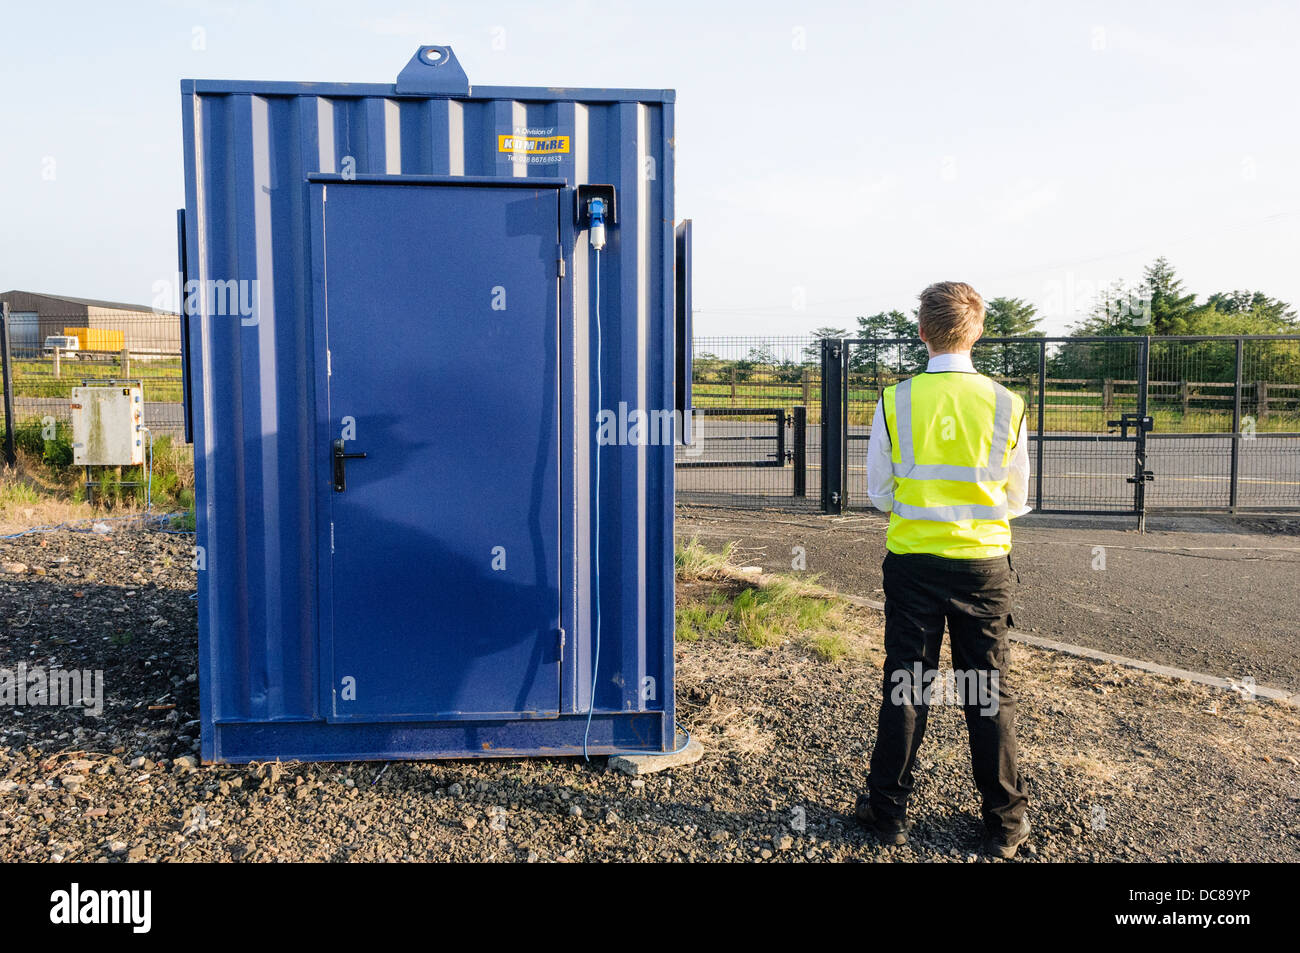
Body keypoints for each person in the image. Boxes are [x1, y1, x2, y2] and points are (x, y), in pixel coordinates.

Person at [855, 281, 1032, 859]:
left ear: (922, 332)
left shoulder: (895, 401)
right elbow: (1016, 499)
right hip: (983, 566)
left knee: (907, 684)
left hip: (914, 564)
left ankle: (888, 814)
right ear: (977, 331)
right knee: (988, 689)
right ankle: (1004, 823)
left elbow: (879, 493)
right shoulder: (1007, 404)